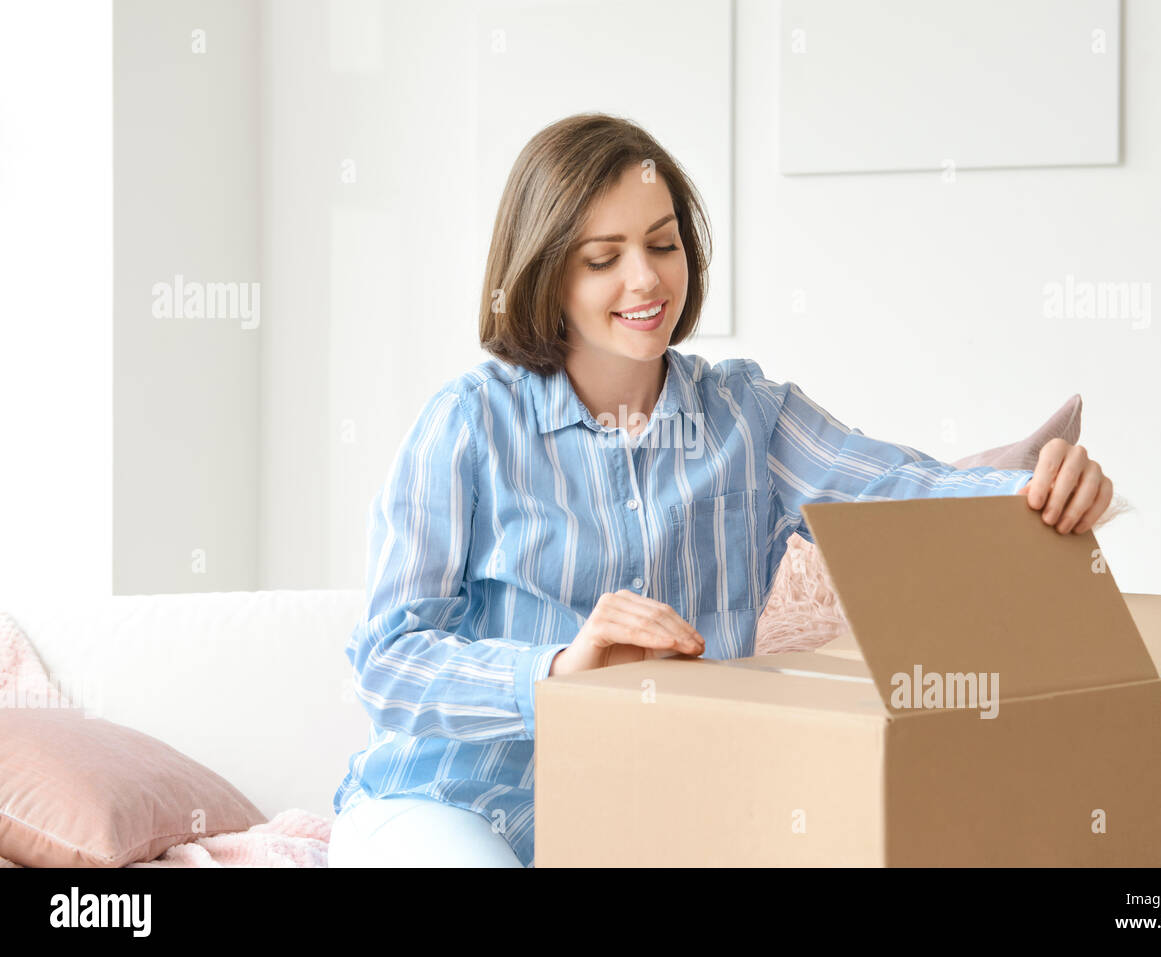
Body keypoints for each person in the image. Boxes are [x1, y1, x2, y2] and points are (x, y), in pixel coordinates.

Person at [327, 113, 1114, 868]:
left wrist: (1043, 487)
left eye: (663, 244)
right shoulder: (468, 425)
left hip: (654, 818)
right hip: (445, 803)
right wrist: (559, 669)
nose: (646, 278)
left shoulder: (748, 417)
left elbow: (906, 490)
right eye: (604, 258)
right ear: (546, 272)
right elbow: (388, 660)